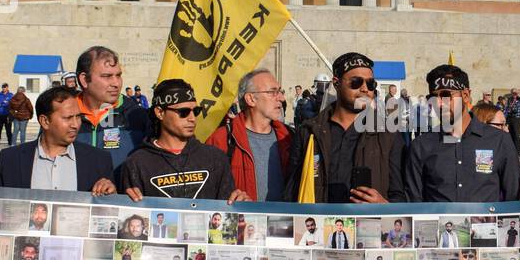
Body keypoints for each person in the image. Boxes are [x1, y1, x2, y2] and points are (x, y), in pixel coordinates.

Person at [285, 52, 404, 203]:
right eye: (356, 82)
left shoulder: (389, 134)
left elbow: (400, 194)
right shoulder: (309, 132)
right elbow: (291, 190)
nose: (364, 89)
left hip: (369, 224)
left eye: (370, 83)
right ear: (336, 83)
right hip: (318, 223)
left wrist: (384, 206)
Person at [407, 65, 520, 203]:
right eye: (433, 97)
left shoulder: (499, 140)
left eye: (446, 95)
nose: (439, 103)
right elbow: (414, 203)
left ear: (465, 95)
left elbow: (514, 199)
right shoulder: (420, 146)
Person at [117, 79, 244, 203]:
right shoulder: (136, 163)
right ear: (160, 112)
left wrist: (242, 205)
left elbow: (228, 212)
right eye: (183, 112)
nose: (192, 118)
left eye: (196, 111)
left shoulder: (216, 158)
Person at [0, 86, 118, 194]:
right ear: (45, 121)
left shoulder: (99, 161)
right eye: (68, 118)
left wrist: (111, 194)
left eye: (78, 117)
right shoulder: (10, 160)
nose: (75, 124)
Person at [207, 70, 292, 202]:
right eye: (272, 92)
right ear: (251, 99)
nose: (281, 98)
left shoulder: (290, 138)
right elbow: (207, 193)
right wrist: (229, 198)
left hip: (284, 221)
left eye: (280, 91)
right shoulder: (222, 140)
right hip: (243, 221)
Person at [74, 46, 147, 170]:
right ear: (84, 79)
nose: (116, 83)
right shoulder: (61, 116)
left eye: (118, 75)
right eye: (107, 76)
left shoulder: (137, 116)